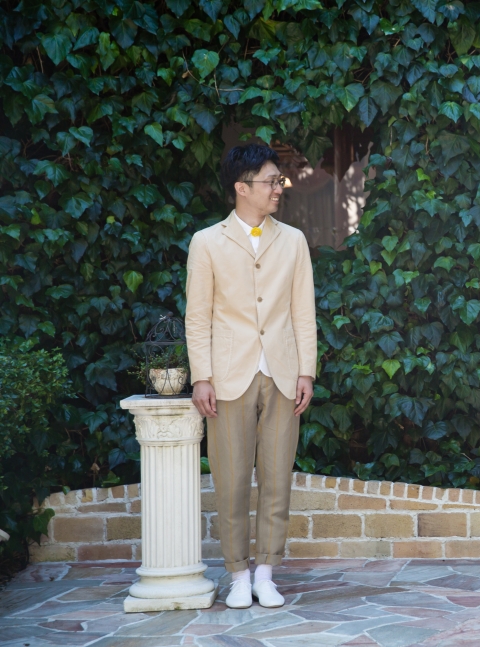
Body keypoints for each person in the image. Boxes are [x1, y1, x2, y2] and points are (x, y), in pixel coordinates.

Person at [186, 144, 317, 609]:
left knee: (278, 478)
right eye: (270, 181)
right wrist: (201, 376)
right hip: (228, 376)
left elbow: (303, 312)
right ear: (242, 188)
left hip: (282, 373)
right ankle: (238, 574)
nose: (279, 188)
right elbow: (197, 317)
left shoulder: (294, 241)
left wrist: (306, 370)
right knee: (231, 480)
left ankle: (266, 573)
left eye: (279, 180)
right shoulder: (207, 242)